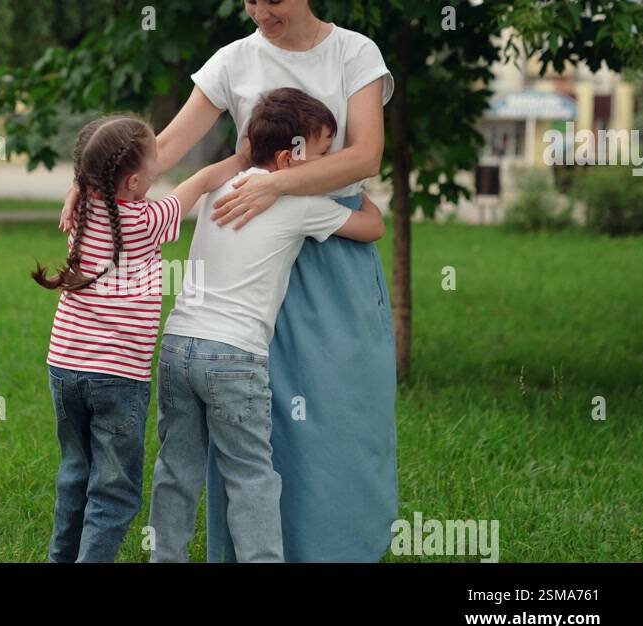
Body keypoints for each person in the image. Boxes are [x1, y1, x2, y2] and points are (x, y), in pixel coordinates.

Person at [59, 0, 398, 562]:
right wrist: (94, 183)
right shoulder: (233, 59)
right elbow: (162, 148)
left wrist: (278, 187)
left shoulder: (355, 53)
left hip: (325, 258)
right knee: (252, 447)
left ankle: (336, 547)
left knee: (337, 419)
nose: (261, 10)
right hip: (250, 261)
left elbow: (366, 156)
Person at [149, 88, 385, 563]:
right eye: (321, 153)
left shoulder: (223, 186)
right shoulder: (300, 202)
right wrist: (352, 191)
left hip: (177, 345)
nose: (326, 163)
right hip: (233, 356)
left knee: (175, 468)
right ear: (288, 157)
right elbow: (371, 227)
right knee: (251, 475)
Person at [33, 115, 249, 562]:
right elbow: (203, 180)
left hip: (64, 366)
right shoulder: (147, 221)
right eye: (155, 165)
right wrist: (245, 157)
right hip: (117, 377)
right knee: (114, 492)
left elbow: (94, 180)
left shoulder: (80, 207)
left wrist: (77, 185)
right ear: (133, 181)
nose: (160, 169)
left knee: (76, 472)